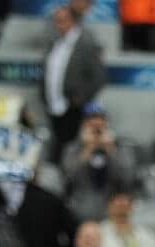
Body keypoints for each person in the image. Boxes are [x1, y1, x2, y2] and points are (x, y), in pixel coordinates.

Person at [42, 5, 106, 159]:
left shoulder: (86, 43)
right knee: (56, 149)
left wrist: (80, 99)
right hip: (53, 106)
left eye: (62, 20)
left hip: (74, 108)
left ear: (73, 21)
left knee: (72, 150)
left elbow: (99, 77)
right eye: (56, 21)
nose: (58, 25)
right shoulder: (55, 43)